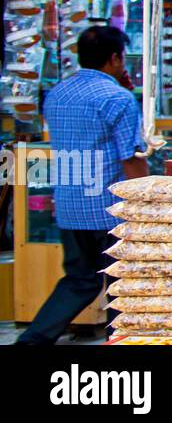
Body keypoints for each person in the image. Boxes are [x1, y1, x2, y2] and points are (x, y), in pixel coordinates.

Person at [15, 26, 147, 345]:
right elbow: (130, 157)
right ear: (115, 58)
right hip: (109, 209)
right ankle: (121, 339)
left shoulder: (57, 94)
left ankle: (32, 340)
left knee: (80, 279)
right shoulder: (118, 97)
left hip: (70, 205)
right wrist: (146, 202)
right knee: (124, 280)